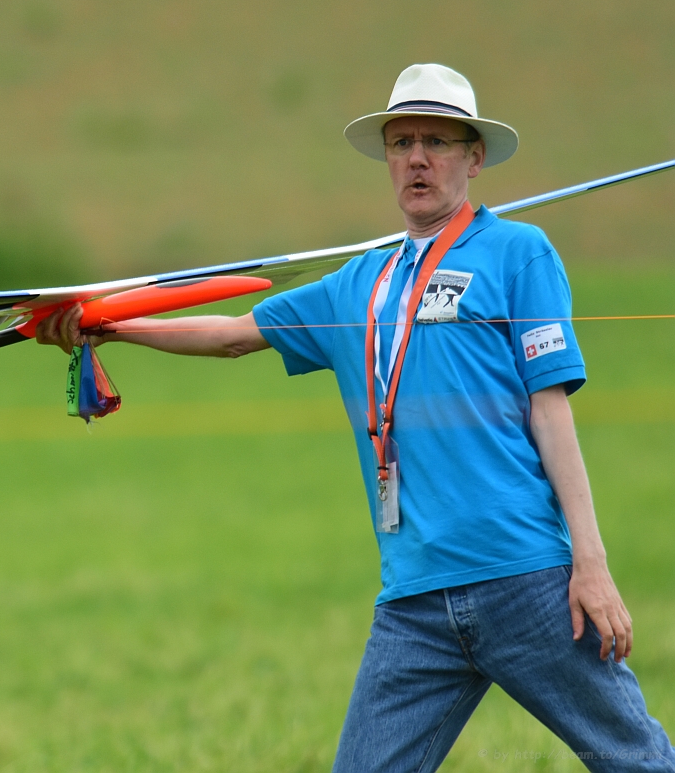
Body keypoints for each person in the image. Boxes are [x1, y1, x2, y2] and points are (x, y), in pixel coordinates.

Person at [35, 63, 675, 772]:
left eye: (437, 141)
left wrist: (591, 564)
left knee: (637, 761)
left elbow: (551, 412)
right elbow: (235, 334)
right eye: (401, 143)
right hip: (414, 604)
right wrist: (107, 326)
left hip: (525, 583)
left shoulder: (519, 253)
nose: (417, 157)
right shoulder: (359, 282)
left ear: (475, 156)